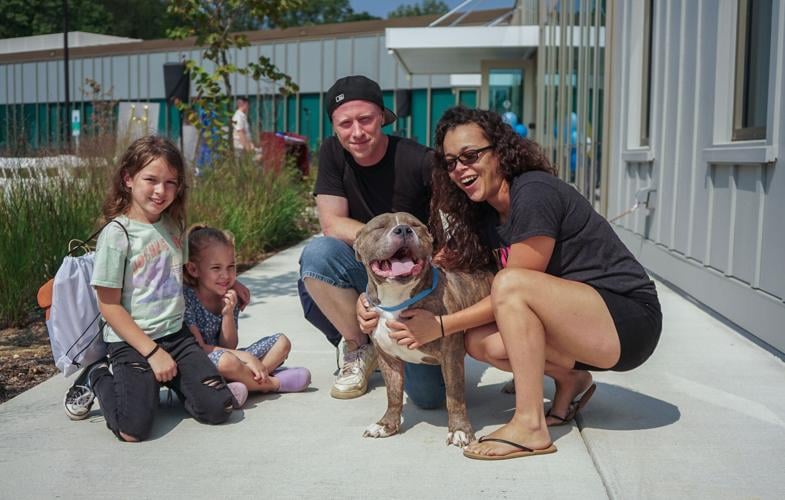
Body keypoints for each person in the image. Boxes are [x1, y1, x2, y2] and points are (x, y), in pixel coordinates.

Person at [384, 107, 662, 460]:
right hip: (581, 326)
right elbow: (451, 274)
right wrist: (379, 306)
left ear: (500, 151)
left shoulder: (534, 192)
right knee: (481, 342)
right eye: (451, 162)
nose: (460, 169)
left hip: (628, 320)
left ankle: (530, 425)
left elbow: (514, 287)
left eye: (470, 156)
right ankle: (571, 379)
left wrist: (440, 326)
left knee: (511, 283)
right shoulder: (484, 214)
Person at [61, 136, 243, 442]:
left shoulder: (171, 226)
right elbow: (109, 306)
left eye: (171, 182)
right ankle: (99, 375)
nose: (161, 191)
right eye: (151, 180)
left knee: (218, 408)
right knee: (132, 429)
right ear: (128, 178)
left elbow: (185, 274)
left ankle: (171, 383)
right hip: (132, 341)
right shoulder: (116, 235)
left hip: (176, 336)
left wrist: (235, 282)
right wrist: (153, 352)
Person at [298, 75, 445, 406]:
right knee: (319, 255)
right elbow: (332, 223)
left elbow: (449, 236)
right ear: (334, 126)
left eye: (365, 119)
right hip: (367, 266)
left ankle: (395, 341)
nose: (357, 132)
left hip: (416, 278)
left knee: (429, 398)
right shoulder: (333, 152)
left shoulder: (419, 160)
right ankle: (360, 345)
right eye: (345, 123)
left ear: (382, 116)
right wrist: (384, 246)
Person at [184, 224, 311, 395]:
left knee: (282, 342)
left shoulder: (230, 296)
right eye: (216, 268)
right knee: (227, 362)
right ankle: (272, 383)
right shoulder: (187, 298)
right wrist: (247, 358)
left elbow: (229, 344)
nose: (226, 275)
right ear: (193, 269)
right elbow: (199, 348)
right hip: (206, 362)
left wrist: (227, 314)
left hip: (231, 357)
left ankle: (240, 383)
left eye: (231, 267)